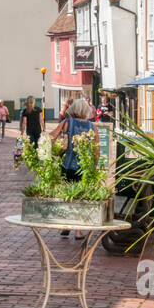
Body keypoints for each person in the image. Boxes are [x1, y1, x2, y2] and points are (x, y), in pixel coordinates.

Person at [51, 95, 100, 240]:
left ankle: (66, 226)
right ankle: (78, 231)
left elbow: (51, 137)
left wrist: (52, 148)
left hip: (67, 165)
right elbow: (97, 150)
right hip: (84, 167)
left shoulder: (67, 123)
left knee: (67, 195)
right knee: (80, 198)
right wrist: (94, 167)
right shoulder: (92, 126)